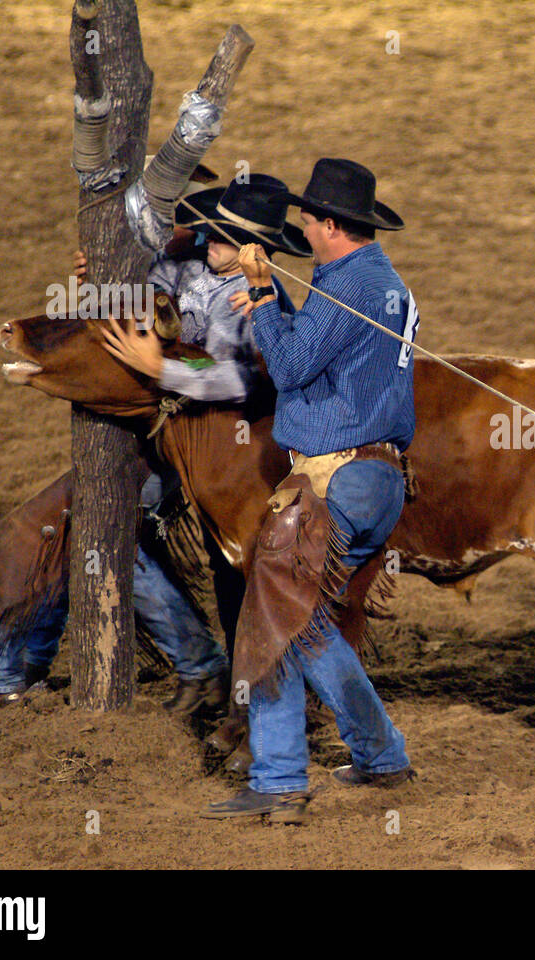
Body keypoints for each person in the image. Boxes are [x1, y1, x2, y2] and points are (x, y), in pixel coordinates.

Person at [0, 176, 309, 718]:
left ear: (259, 250)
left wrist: (164, 368)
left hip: (200, 446)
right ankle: (16, 665)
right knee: (76, 523)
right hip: (150, 429)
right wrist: (103, 277)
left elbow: (241, 377)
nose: (213, 241)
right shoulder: (185, 262)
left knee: (94, 528)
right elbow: (128, 302)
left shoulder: (260, 302)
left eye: (226, 237)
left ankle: (189, 663)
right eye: (213, 231)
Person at [202, 158, 417, 824]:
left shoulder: (349, 285)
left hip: (337, 476)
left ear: (328, 225)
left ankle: (278, 780)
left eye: (306, 219)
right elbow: (325, 357)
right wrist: (278, 305)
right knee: (305, 619)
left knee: (272, 611)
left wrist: (264, 301)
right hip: (378, 478)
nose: (301, 228)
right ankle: (379, 754)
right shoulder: (386, 284)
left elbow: (293, 366)